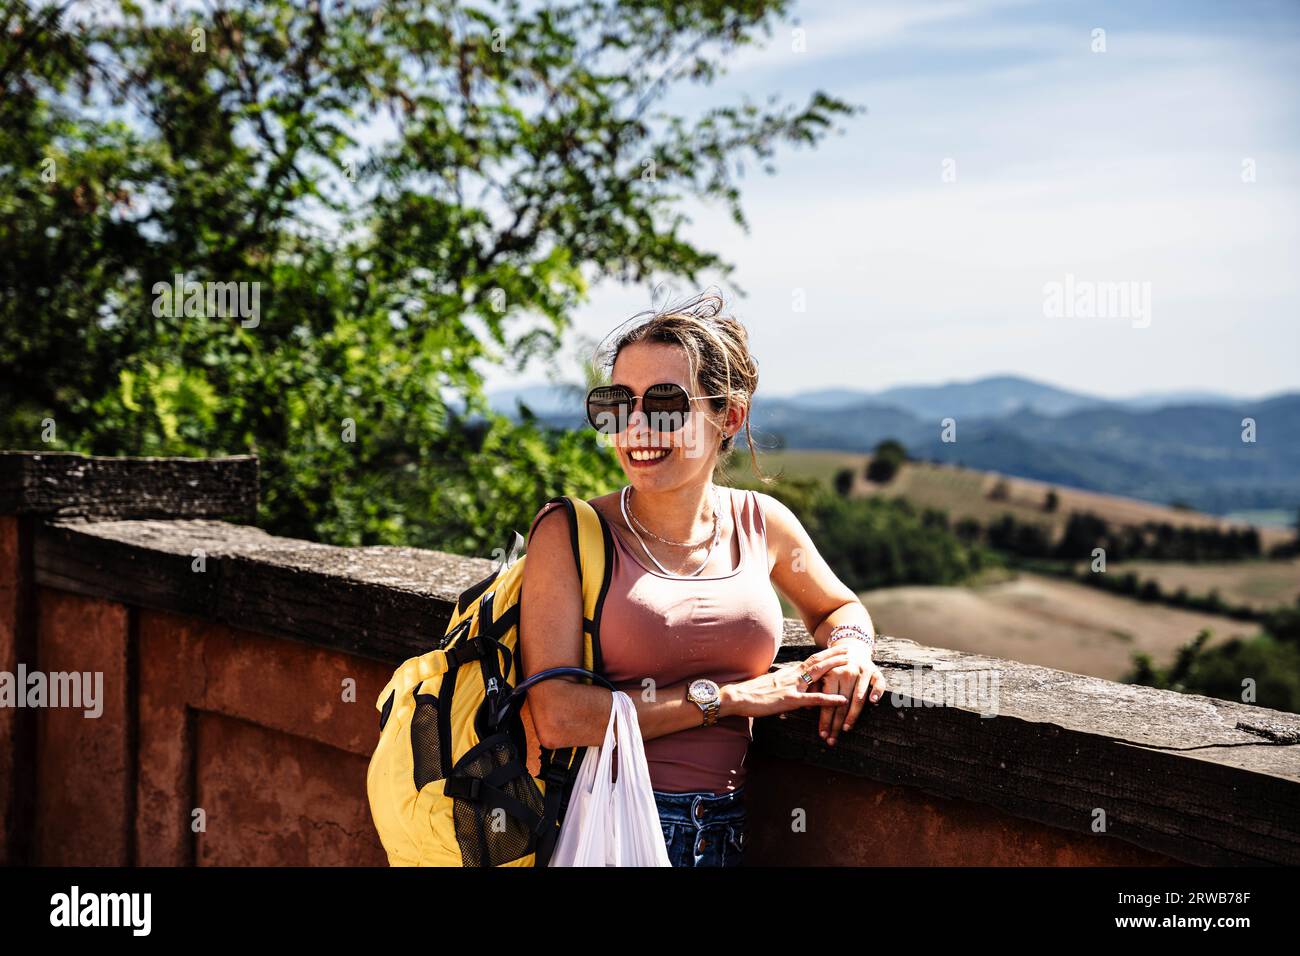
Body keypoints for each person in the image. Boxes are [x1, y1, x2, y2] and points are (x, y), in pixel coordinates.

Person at [520, 289, 887, 867]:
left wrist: (853, 652)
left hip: (730, 831)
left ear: (729, 416)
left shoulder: (761, 523)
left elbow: (837, 608)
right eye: (618, 404)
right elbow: (557, 716)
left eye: (665, 403)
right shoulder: (570, 532)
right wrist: (730, 699)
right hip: (612, 829)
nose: (636, 426)